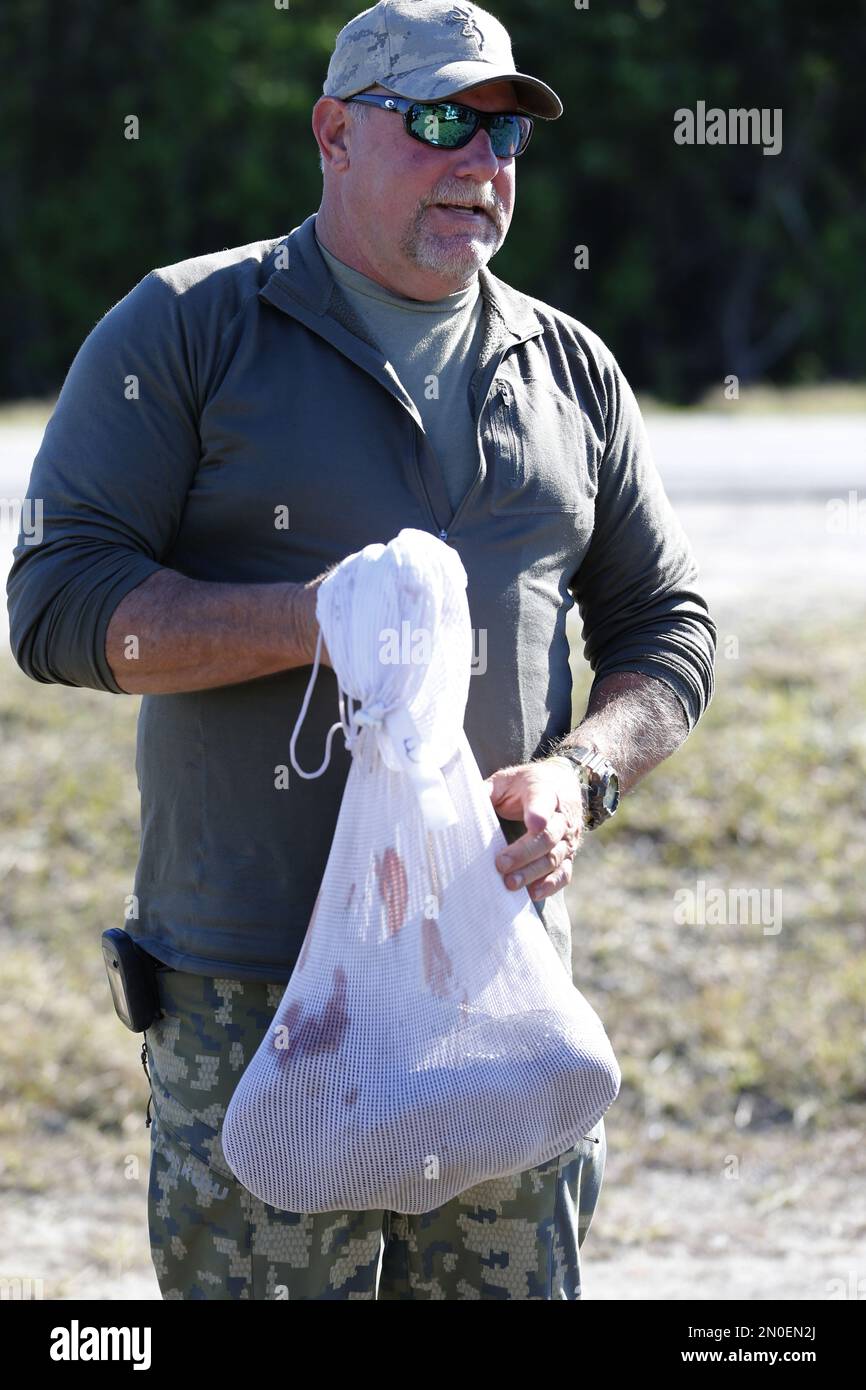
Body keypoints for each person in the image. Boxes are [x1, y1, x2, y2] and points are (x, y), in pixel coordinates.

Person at [6, 0, 716, 1300]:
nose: (479, 162)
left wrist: (579, 775)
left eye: (502, 131)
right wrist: (309, 617)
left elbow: (666, 630)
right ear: (334, 131)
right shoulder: (188, 331)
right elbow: (55, 603)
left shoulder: (568, 370)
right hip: (255, 1000)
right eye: (439, 120)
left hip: (493, 985)